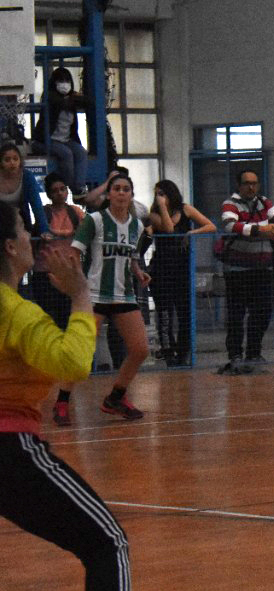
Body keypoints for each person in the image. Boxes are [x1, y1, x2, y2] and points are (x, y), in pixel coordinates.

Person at [0, 200, 177, 591]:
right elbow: (74, 363)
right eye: (24, 230)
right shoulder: (16, 312)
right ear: (10, 247)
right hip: (10, 448)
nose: (34, 238)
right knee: (107, 542)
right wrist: (81, 296)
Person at [54, 173, 151, 424]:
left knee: (140, 349)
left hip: (124, 295)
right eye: (116, 188)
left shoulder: (137, 226)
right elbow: (75, 252)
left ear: (131, 195)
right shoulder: (95, 220)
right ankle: (62, 401)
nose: (121, 192)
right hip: (94, 295)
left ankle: (115, 397)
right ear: (109, 194)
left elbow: (131, 256)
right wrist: (76, 284)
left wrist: (138, 272)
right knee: (81, 353)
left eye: (126, 189)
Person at [219, 170, 274, 373]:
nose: (251, 187)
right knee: (236, 315)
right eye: (247, 183)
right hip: (237, 270)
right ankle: (235, 355)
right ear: (239, 185)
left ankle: (254, 353)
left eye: (254, 183)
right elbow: (230, 225)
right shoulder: (230, 204)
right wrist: (261, 230)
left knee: (262, 312)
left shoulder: (265, 203)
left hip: (263, 269)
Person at [148, 179, 215, 367]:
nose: (159, 197)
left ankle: (183, 351)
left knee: (185, 313)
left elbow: (210, 226)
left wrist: (192, 233)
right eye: (156, 194)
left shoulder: (185, 209)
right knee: (165, 314)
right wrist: (162, 207)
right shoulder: (154, 215)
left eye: (162, 193)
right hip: (162, 269)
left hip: (182, 268)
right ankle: (168, 352)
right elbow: (169, 229)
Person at [30, 173, 83, 331]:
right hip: (44, 274)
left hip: (68, 272)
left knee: (67, 318)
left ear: (67, 191)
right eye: (55, 191)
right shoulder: (43, 214)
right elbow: (38, 236)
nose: (60, 193)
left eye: (62, 189)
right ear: (48, 194)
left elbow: (87, 232)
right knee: (47, 319)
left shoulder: (75, 212)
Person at [32, 67, 93, 194]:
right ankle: (69, 189)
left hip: (65, 140)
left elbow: (89, 101)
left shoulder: (71, 99)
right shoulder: (49, 97)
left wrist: (73, 98)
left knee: (81, 153)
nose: (64, 84)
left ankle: (80, 187)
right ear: (54, 83)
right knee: (66, 154)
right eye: (60, 81)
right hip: (46, 140)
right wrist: (72, 99)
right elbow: (57, 102)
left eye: (67, 81)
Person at [0, 142, 51, 240]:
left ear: (20, 161)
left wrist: (44, 231)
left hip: (21, 222)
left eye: (15, 159)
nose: (12, 163)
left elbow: (37, 206)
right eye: (7, 160)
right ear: (0, 163)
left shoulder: (27, 176)